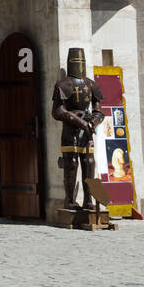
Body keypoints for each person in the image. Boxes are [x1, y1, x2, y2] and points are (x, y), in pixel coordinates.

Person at [51, 47, 105, 210]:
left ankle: (89, 200)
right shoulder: (63, 84)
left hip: (87, 129)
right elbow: (58, 111)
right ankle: (70, 200)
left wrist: (93, 122)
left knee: (89, 162)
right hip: (71, 129)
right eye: (76, 61)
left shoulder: (91, 84)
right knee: (71, 163)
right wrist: (80, 122)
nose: (79, 64)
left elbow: (98, 111)